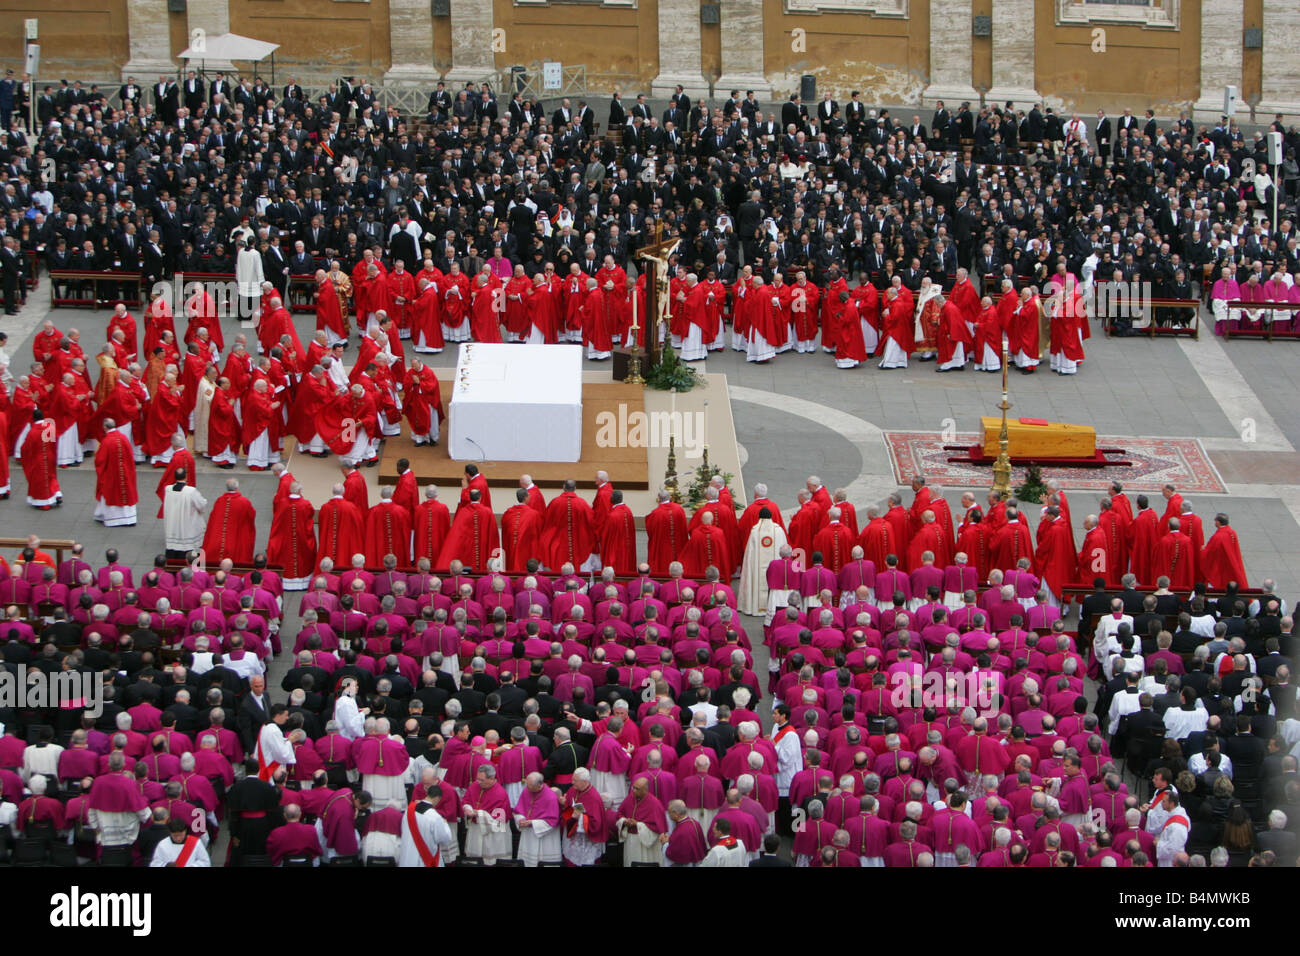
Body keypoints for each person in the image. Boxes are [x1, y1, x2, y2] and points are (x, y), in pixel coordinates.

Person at [739, 507, 788, 616]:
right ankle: (774, 606)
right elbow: (785, 548)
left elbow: (749, 554)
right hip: (776, 568)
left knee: (757, 579)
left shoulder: (755, 531)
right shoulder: (778, 530)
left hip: (757, 569)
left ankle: (755, 607)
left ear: (759, 517)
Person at [92, 418, 138, 527]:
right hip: (125, 473)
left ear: (104, 427)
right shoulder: (124, 438)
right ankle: (129, 518)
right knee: (126, 493)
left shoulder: (106, 441)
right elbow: (130, 457)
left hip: (112, 475)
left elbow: (100, 461)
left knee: (112, 493)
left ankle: (114, 519)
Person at [163, 468, 208, 559]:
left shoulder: (168, 489)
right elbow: (201, 505)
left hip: (173, 522)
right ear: (186, 477)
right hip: (187, 524)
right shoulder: (191, 491)